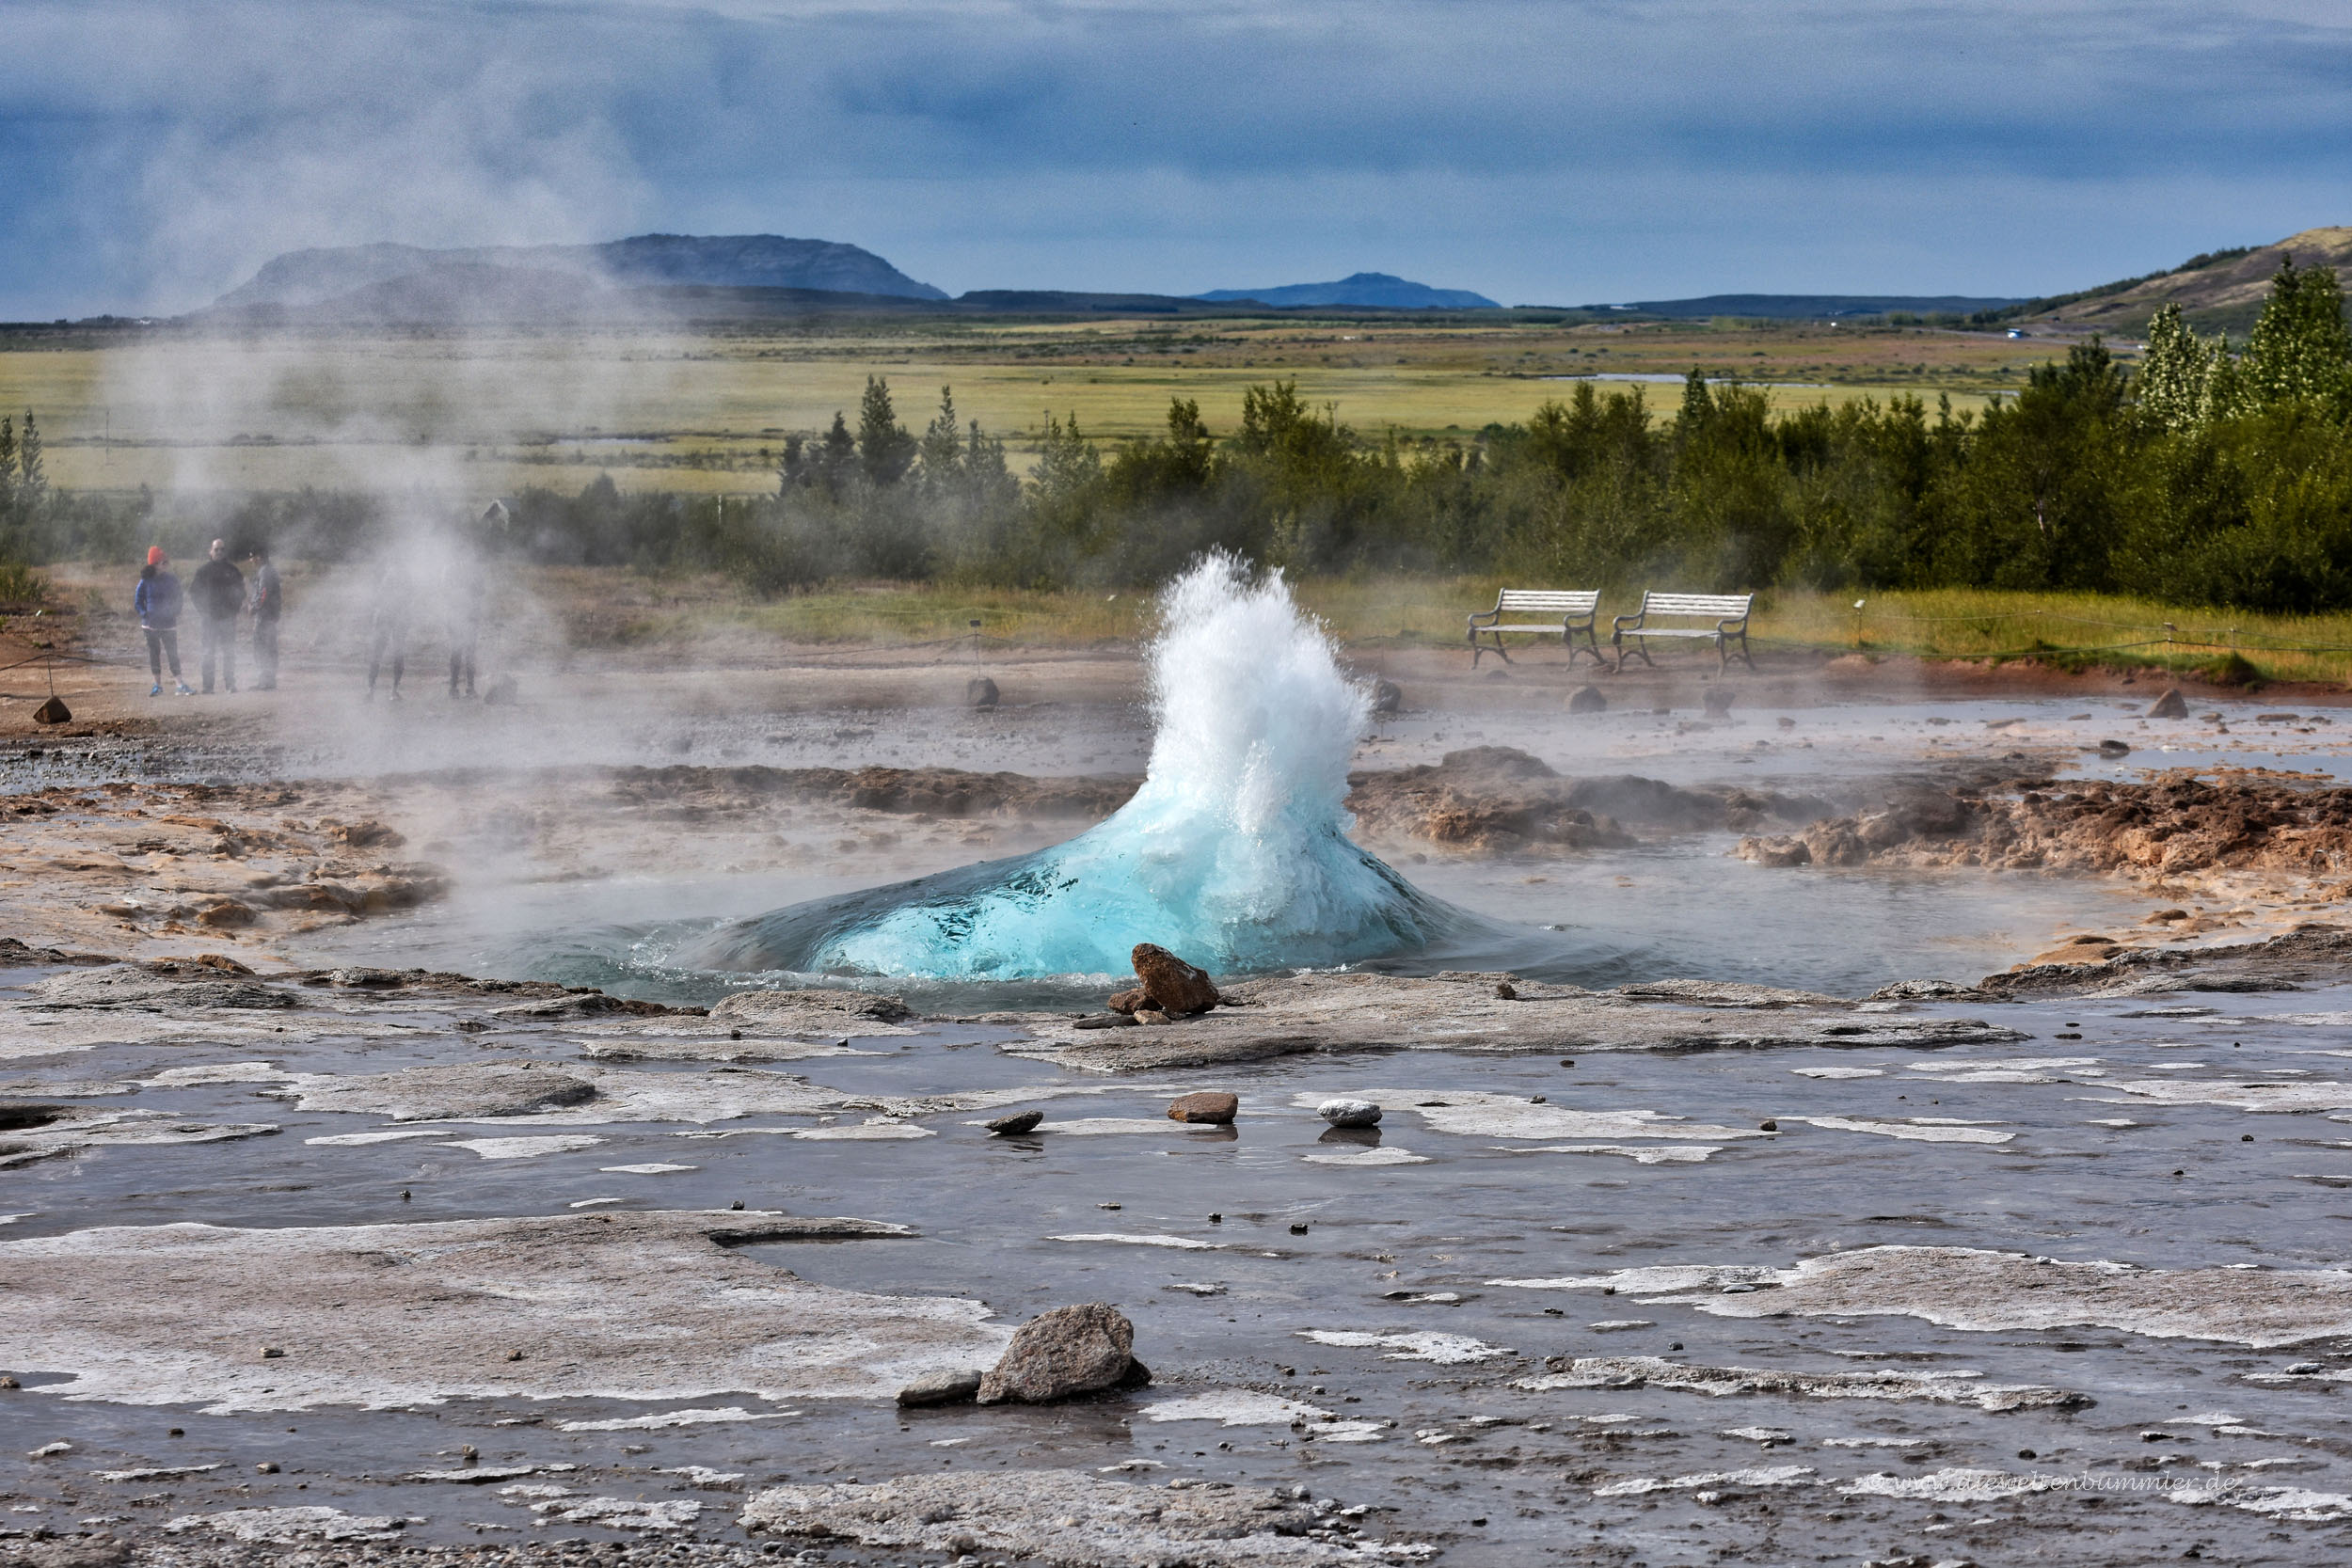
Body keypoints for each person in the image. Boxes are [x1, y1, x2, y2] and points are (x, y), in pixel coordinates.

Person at [188, 538, 245, 694]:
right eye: (216, 549)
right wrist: (203, 611)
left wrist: (234, 610)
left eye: (222, 549)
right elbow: (194, 592)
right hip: (209, 619)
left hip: (228, 618)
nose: (219, 552)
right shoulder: (203, 571)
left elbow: (241, 591)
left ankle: (230, 685)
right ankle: (208, 686)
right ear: (210, 551)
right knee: (208, 653)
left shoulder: (233, 570)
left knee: (229, 652)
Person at [135, 546, 192, 697]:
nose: (166, 564)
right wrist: (144, 614)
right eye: (163, 562)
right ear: (155, 564)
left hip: (168, 623)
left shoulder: (172, 579)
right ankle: (157, 686)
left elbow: (179, 597)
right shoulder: (145, 581)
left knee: (173, 654)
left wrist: (176, 611)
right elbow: (138, 601)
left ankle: (179, 685)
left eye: (167, 561)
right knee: (154, 654)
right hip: (150, 625)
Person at [366, 562, 411, 702]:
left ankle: (373, 690)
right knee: (387, 654)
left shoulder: (387, 578)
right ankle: (388, 691)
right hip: (390, 618)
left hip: (392, 618)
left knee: (385, 654)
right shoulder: (395, 579)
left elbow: (376, 601)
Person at [245, 544, 282, 690]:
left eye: (252, 557)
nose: (251, 560)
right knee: (270, 647)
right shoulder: (270, 570)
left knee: (261, 647)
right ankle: (269, 680)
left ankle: (264, 681)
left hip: (264, 617)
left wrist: (253, 608)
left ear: (259, 557)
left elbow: (263, 594)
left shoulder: (265, 572)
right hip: (271, 615)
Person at [446, 562, 483, 699]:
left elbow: (481, 591)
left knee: (469, 653)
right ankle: (454, 688)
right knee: (457, 652)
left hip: (470, 617)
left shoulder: (473, 571)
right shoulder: (449, 570)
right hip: (455, 617)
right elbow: (445, 593)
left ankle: (469, 688)